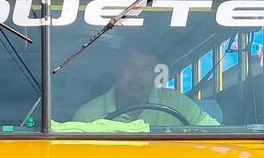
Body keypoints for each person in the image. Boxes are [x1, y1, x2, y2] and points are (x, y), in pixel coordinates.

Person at [71, 50, 219, 127]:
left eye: (146, 68)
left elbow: (216, 134)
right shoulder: (87, 116)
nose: (137, 75)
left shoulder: (177, 102)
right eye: (130, 66)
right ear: (117, 71)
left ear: (156, 73)